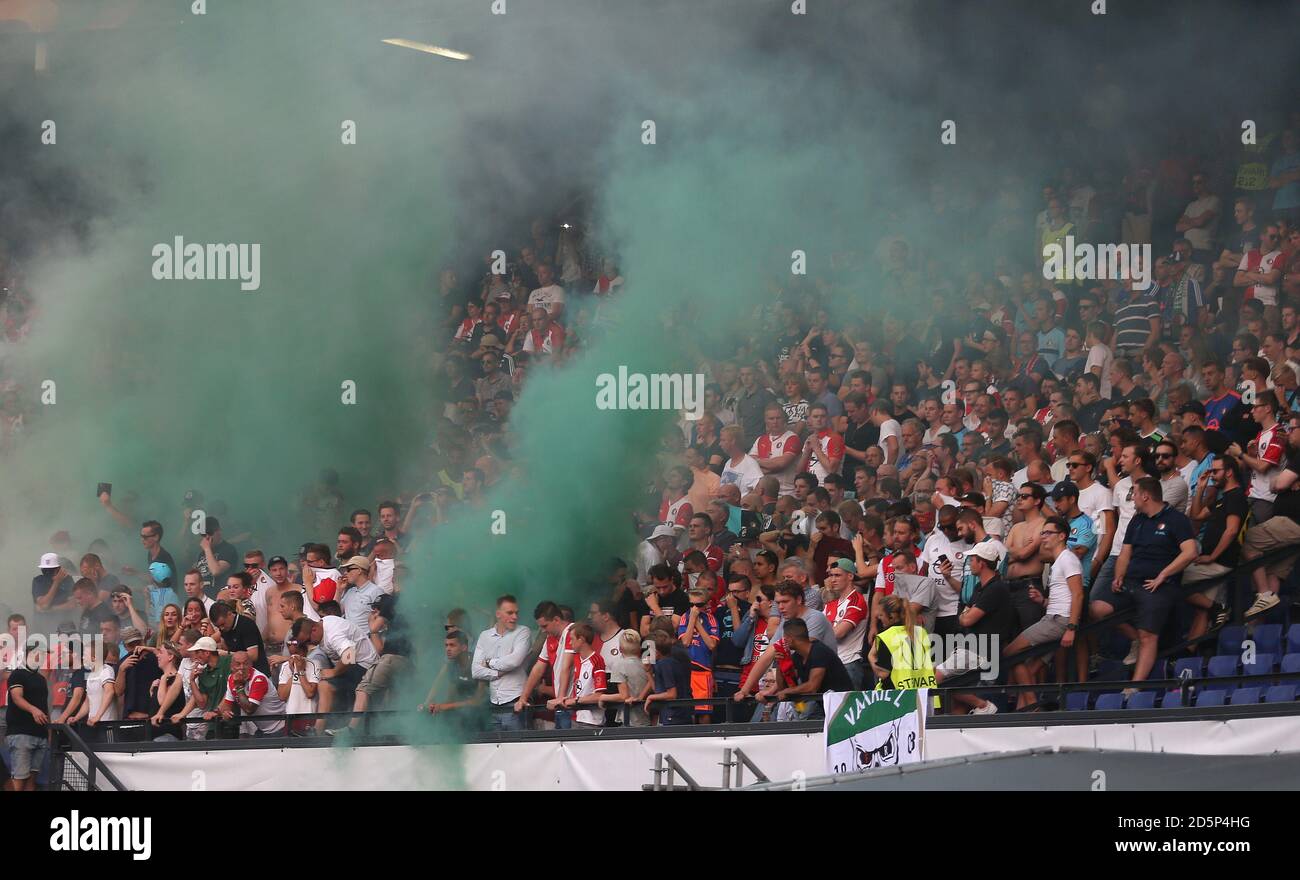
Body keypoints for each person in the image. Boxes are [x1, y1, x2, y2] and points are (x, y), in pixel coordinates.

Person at [1112, 478, 1198, 687]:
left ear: (1145, 496)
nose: (1132, 498)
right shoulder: (1137, 519)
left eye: (1134, 493)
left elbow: (1191, 552)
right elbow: (1125, 553)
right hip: (1131, 582)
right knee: (1096, 609)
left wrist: (1163, 575)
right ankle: (1136, 642)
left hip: (1157, 585)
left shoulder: (1176, 519)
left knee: (1147, 635)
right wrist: (1118, 576)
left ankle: (1134, 687)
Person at [1002, 516, 1082, 711]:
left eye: (1048, 533)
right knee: (1030, 668)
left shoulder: (1068, 559)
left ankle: (1030, 703)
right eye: (1042, 532)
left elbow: (1078, 594)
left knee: (1009, 653)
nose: (1043, 537)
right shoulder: (1060, 560)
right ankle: (1026, 712)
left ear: (1062, 536)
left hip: (1057, 622)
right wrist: (1043, 601)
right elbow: (1065, 597)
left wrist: (1071, 627)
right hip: (1055, 618)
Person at [1241, 414, 1300, 617]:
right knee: (1274, 569)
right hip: (1291, 529)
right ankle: (1262, 624)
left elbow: (1278, 484)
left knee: (1250, 540)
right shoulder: (1294, 455)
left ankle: (1265, 594)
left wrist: (1278, 483)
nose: (1288, 433)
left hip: (1291, 523)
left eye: (1293, 429)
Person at [1184, 454, 1245, 645]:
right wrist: (1200, 489)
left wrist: (1212, 557)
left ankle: (1219, 608)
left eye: (1215, 471)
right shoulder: (1221, 498)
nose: (1212, 475)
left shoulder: (1235, 496)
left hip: (1219, 562)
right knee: (1203, 610)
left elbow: (1232, 530)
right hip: (1212, 561)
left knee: (1173, 581)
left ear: (1229, 472)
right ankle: (1191, 654)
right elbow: (1196, 515)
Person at [768, 617, 852, 719]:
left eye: (784, 637)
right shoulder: (797, 656)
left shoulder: (819, 651)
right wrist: (781, 663)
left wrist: (787, 692)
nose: (782, 641)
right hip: (827, 708)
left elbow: (812, 687)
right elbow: (784, 687)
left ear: (789, 639)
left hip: (844, 710)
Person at [471, 595, 533, 731]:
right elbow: (475, 671)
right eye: (510, 613)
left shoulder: (523, 631)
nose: (515, 617)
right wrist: (497, 673)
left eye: (516, 613)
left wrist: (489, 663)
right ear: (498, 614)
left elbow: (514, 661)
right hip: (495, 703)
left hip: (516, 701)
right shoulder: (485, 636)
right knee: (498, 749)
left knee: (520, 749)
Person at [4, 637, 50, 790]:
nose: (43, 657)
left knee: (32, 778)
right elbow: (17, 697)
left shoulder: (41, 679)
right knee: (19, 777)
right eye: (41, 653)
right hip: (21, 733)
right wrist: (33, 710)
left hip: (39, 733)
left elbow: (44, 706)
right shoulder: (17, 674)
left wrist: (48, 731)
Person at [868, 594, 936, 691]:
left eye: (881, 615)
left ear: (891, 616)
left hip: (899, 699)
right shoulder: (921, 632)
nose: (879, 618)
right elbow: (933, 667)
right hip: (926, 696)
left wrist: (870, 657)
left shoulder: (886, 636)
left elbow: (883, 674)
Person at [219, 650, 287, 737]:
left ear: (251, 664)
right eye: (238, 664)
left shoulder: (259, 679)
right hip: (263, 729)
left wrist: (239, 687)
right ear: (231, 666)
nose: (242, 667)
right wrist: (225, 712)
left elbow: (249, 709)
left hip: (279, 727)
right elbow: (227, 704)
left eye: (245, 663)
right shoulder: (232, 678)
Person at [645, 629, 694, 726]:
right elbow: (659, 690)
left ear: (656, 651)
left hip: (675, 716)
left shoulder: (664, 664)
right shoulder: (667, 662)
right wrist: (648, 672)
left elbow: (672, 694)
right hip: (672, 714)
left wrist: (650, 697)